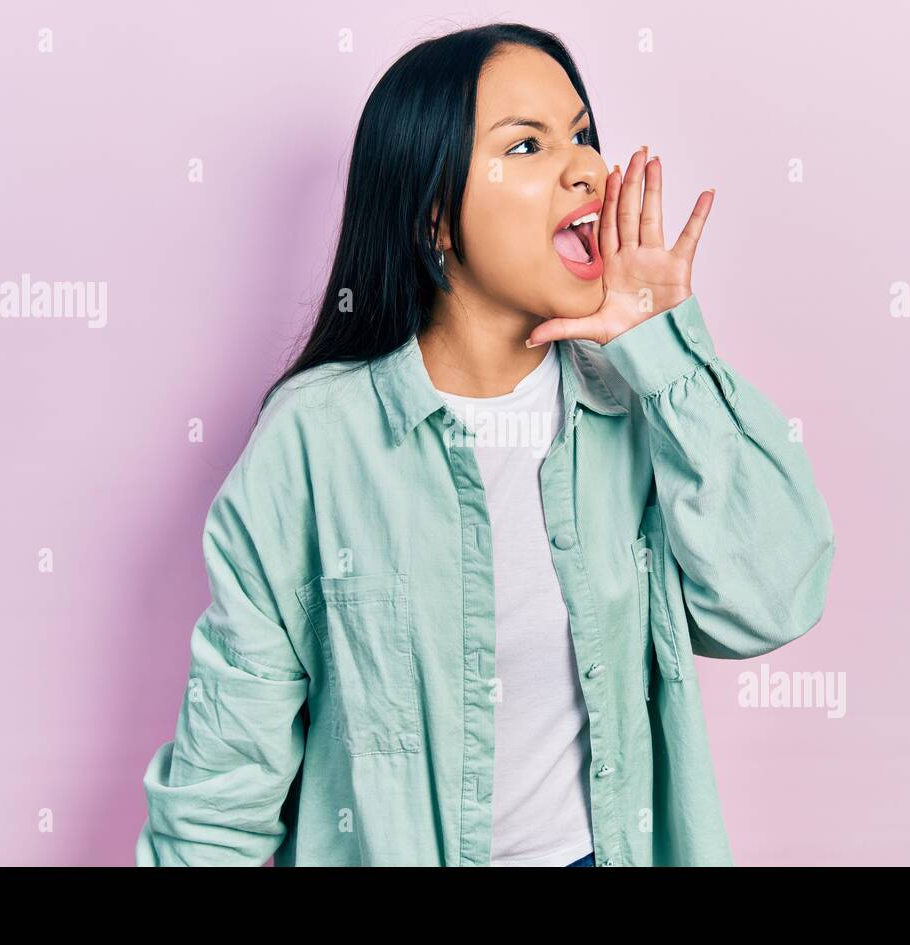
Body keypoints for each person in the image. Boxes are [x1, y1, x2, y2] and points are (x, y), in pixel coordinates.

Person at [136, 22, 835, 867]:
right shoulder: (315, 442)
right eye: (528, 145)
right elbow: (223, 785)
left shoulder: (635, 403)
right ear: (436, 217)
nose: (587, 168)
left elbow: (769, 602)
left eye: (582, 133)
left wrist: (664, 348)